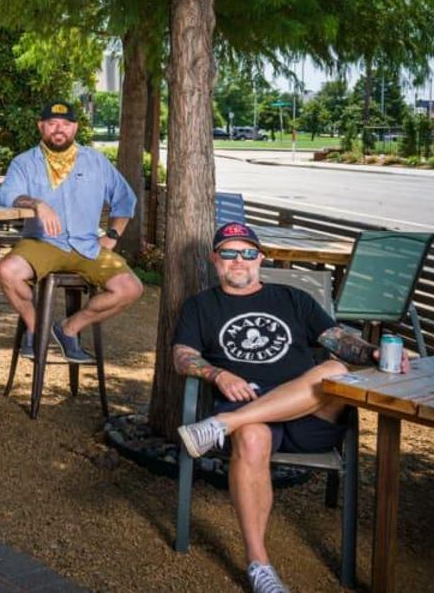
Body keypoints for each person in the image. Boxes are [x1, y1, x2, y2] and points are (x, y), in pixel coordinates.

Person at [174, 221, 407, 593]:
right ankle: (259, 565)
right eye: (229, 253)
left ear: (260, 258)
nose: (239, 261)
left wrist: (372, 352)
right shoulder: (201, 306)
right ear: (214, 259)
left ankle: (221, 423)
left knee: (332, 368)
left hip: (310, 414)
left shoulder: (291, 299)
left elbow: (337, 340)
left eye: (248, 252)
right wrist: (218, 375)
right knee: (250, 437)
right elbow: (182, 356)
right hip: (252, 413)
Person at [0, 100, 142, 361]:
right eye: (52, 124)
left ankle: (68, 329)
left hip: (87, 245)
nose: (58, 129)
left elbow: (125, 199)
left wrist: (112, 236)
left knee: (130, 288)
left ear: (75, 128)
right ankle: (35, 326)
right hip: (41, 243)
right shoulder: (24, 162)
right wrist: (37, 203)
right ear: (41, 126)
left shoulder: (96, 161)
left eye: (65, 124)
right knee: (8, 271)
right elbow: (8, 195)